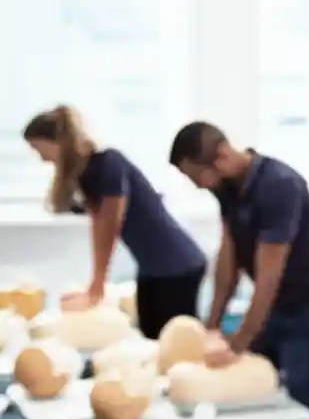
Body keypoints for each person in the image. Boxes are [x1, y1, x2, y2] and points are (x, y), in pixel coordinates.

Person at [169, 122, 309, 409]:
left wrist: (239, 342)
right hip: (276, 309)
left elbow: (268, 276)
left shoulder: (278, 186)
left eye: (197, 176)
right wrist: (212, 328)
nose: (198, 186)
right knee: (254, 393)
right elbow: (228, 259)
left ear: (222, 156)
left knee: (295, 405)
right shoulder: (226, 188)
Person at [23, 106, 206, 339]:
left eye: (37, 147)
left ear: (56, 142)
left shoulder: (109, 163)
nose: (39, 156)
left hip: (178, 264)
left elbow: (110, 225)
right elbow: (97, 225)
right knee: (150, 336)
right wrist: (94, 284)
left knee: (175, 341)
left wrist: (97, 285)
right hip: (153, 267)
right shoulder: (86, 174)